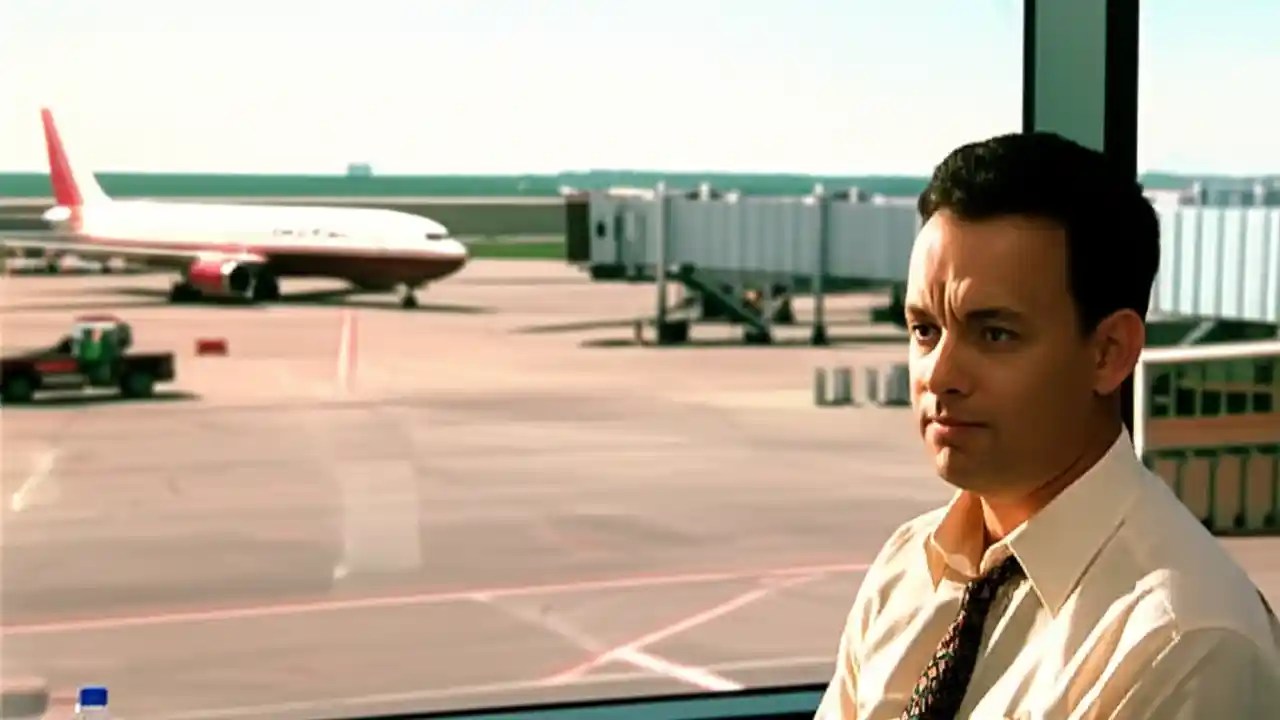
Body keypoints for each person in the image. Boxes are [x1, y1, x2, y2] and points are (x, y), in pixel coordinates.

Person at [815, 132, 1280, 719]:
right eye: (924, 330)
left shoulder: (1185, 645)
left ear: (1109, 352)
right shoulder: (906, 567)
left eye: (995, 334)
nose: (940, 374)